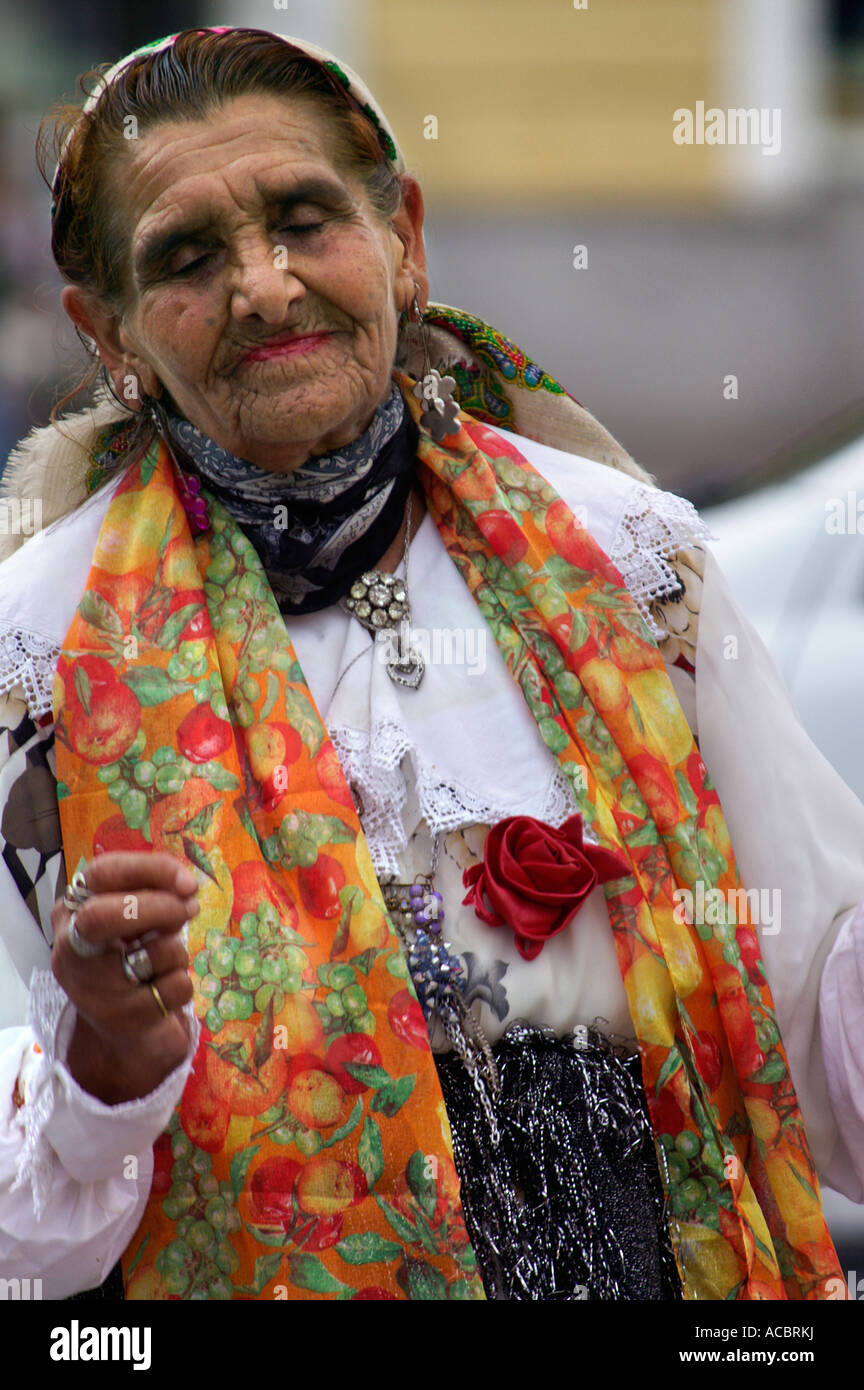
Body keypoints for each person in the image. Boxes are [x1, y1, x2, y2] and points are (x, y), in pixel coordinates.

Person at [0, 25, 862, 1302]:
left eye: (304, 218)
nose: (266, 288)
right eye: (186, 257)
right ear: (107, 331)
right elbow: (30, 1246)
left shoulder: (627, 559)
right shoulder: (36, 657)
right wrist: (109, 1066)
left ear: (402, 236)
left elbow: (817, 1016)